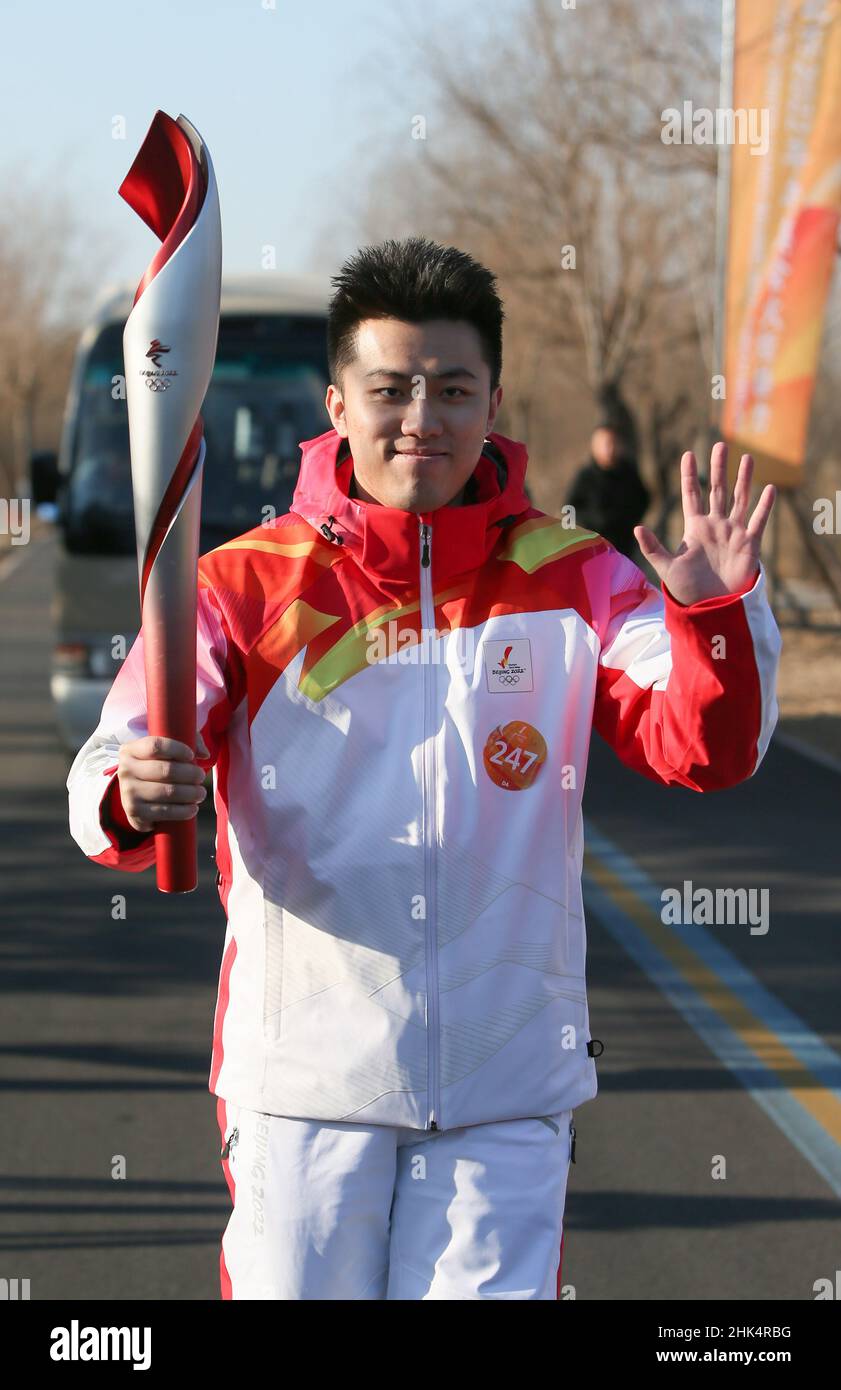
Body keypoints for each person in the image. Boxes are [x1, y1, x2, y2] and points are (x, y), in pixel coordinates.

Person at [67, 236, 781, 1301]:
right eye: (390, 387)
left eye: (452, 388)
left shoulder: (576, 578)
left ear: (492, 399)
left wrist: (715, 617)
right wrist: (133, 790)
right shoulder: (242, 584)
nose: (421, 418)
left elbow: (705, 750)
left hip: (506, 1088)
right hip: (305, 1084)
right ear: (337, 402)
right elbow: (116, 761)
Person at [565, 424, 651, 558]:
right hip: (591, 548)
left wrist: (629, 522)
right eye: (604, 444)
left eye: (613, 443)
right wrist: (572, 535)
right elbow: (568, 507)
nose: (609, 449)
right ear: (594, 446)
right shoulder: (585, 476)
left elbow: (644, 500)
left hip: (625, 548)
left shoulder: (628, 473)